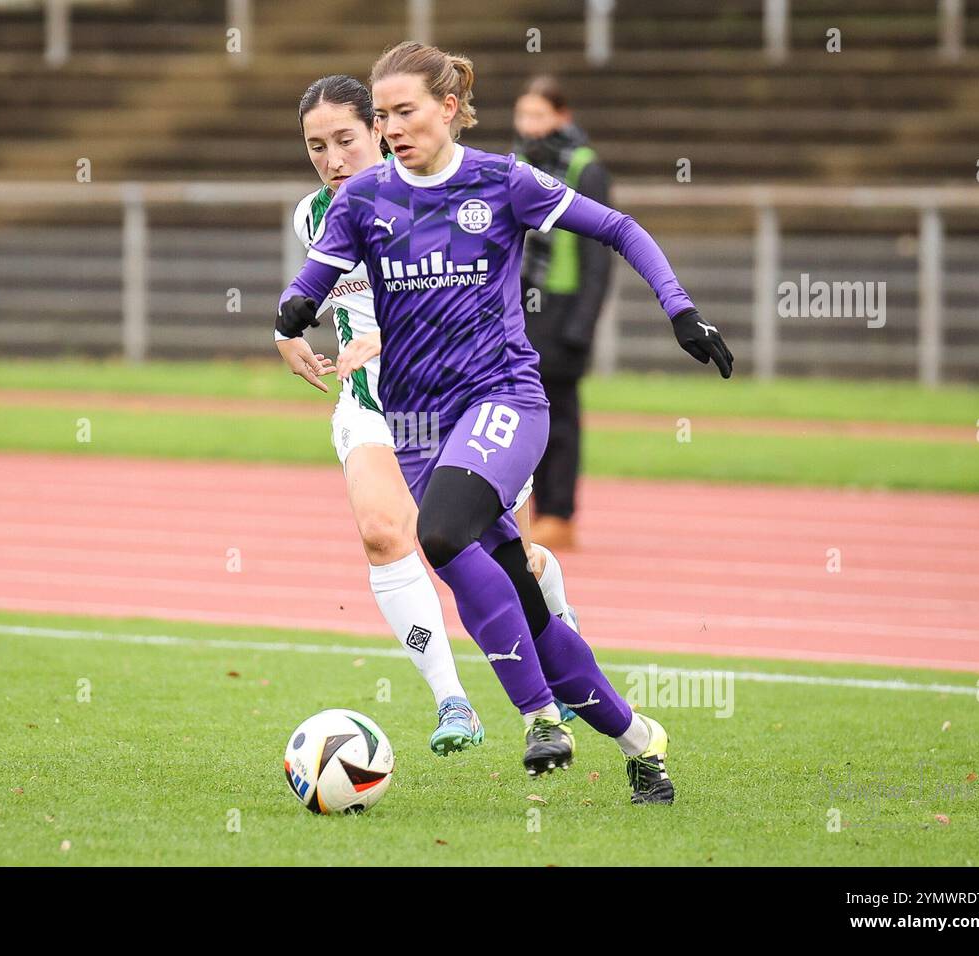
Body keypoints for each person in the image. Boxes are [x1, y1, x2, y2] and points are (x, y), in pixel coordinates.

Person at [278, 42, 733, 803]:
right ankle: (638, 738)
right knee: (519, 598)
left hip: (503, 400)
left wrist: (681, 310)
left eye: (403, 112)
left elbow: (619, 228)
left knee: (440, 533)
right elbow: (311, 282)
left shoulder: (502, 181)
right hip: (416, 421)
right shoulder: (362, 202)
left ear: (448, 108)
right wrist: (289, 316)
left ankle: (537, 716)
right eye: (382, 115)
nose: (391, 128)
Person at [274, 74, 580, 756]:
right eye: (315, 147)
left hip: (464, 401)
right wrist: (286, 336)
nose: (331, 159)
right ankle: (453, 702)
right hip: (373, 407)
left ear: (381, 130)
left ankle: (562, 660)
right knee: (385, 534)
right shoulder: (313, 215)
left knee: (508, 563)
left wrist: (391, 332)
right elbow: (313, 294)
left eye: (345, 140)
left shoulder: (439, 195)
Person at [513, 76, 612, 551]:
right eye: (523, 115)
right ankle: (529, 510)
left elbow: (599, 257)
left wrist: (583, 324)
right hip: (524, 303)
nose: (529, 126)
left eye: (539, 116)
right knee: (525, 409)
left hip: (565, 306)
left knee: (561, 415)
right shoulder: (519, 165)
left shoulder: (585, 168)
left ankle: (559, 513)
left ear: (562, 117)